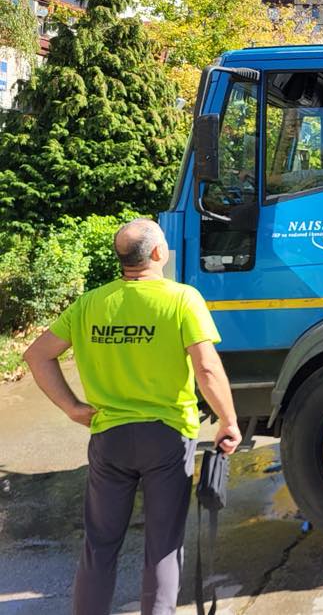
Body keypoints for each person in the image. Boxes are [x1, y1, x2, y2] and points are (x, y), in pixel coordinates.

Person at [23, 218, 240, 615]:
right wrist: (229, 421)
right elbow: (207, 369)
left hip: (110, 441)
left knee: (100, 545)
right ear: (158, 253)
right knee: (163, 547)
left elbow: (37, 355)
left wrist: (73, 408)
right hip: (167, 439)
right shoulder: (181, 299)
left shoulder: (90, 303)